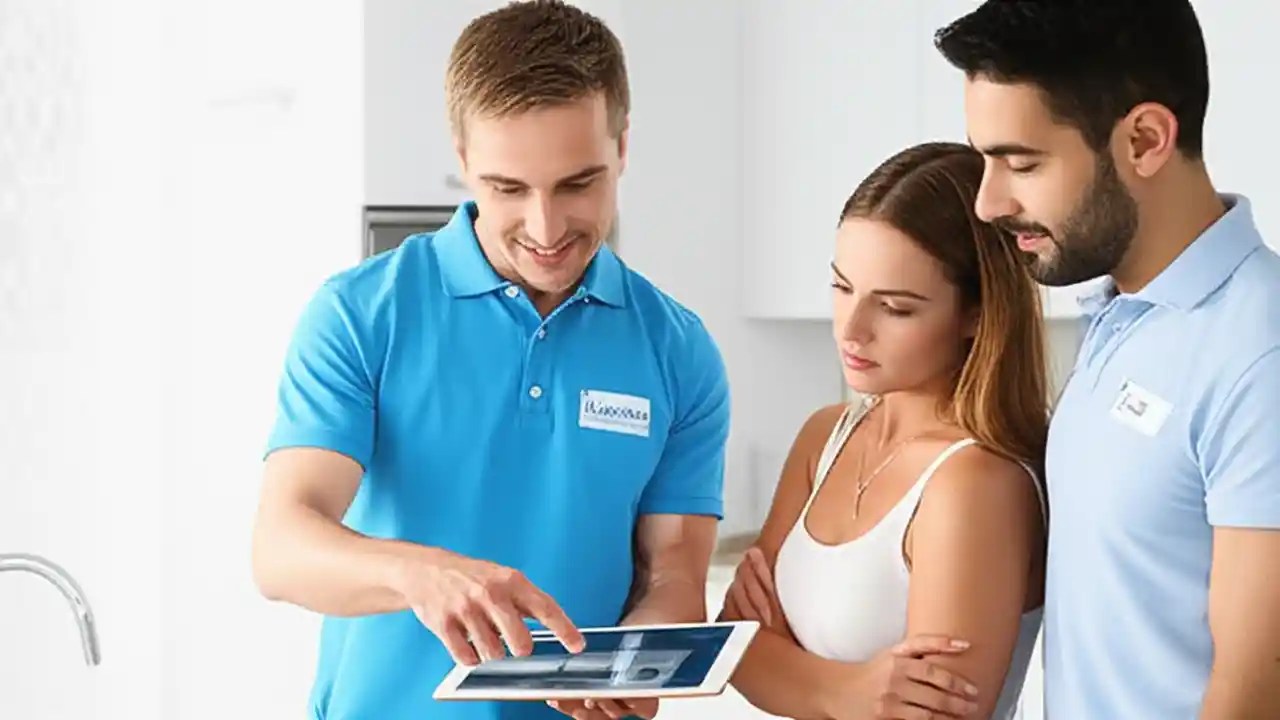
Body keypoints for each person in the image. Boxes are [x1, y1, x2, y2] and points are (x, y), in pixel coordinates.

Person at [249, 3, 730, 719]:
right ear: (464, 157)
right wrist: (422, 575)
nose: (546, 227)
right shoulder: (362, 314)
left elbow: (674, 574)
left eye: (578, 184)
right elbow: (282, 547)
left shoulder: (678, 349)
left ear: (623, 147)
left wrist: (634, 670)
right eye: (509, 188)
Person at [934, 2, 1280, 718]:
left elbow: (1256, 690)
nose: (989, 202)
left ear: (1145, 140)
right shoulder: (1121, 316)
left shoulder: (1260, 350)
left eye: (1021, 163)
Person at [719, 141, 1050, 720]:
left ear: (976, 314)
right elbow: (732, 643)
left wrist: (778, 660)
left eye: (895, 307)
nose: (852, 329)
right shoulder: (825, 438)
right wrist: (847, 693)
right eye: (842, 287)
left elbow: (932, 712)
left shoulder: (976, 483)